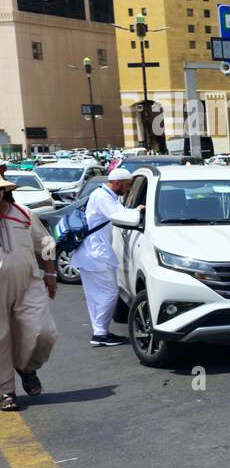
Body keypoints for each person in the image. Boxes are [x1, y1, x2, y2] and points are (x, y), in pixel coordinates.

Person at [0, 177, 58, 410]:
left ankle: (26, 367)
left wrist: (51, 274)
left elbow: (45, 243)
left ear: (3, 192)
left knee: (43, 332)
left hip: (28, 284)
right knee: (0, 338)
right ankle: (6, 391)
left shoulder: (23, 214)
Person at [70, 167, 134, 347]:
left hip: (92, 254)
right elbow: (120, 216)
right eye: (127, 186)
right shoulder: (103, 197)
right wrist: (138, 211)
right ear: (117, 183)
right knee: (109, 293)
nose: (127, 190)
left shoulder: (104, 195)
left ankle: (100, 333)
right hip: (96, 254)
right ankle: (100, 334)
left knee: (97, 296)